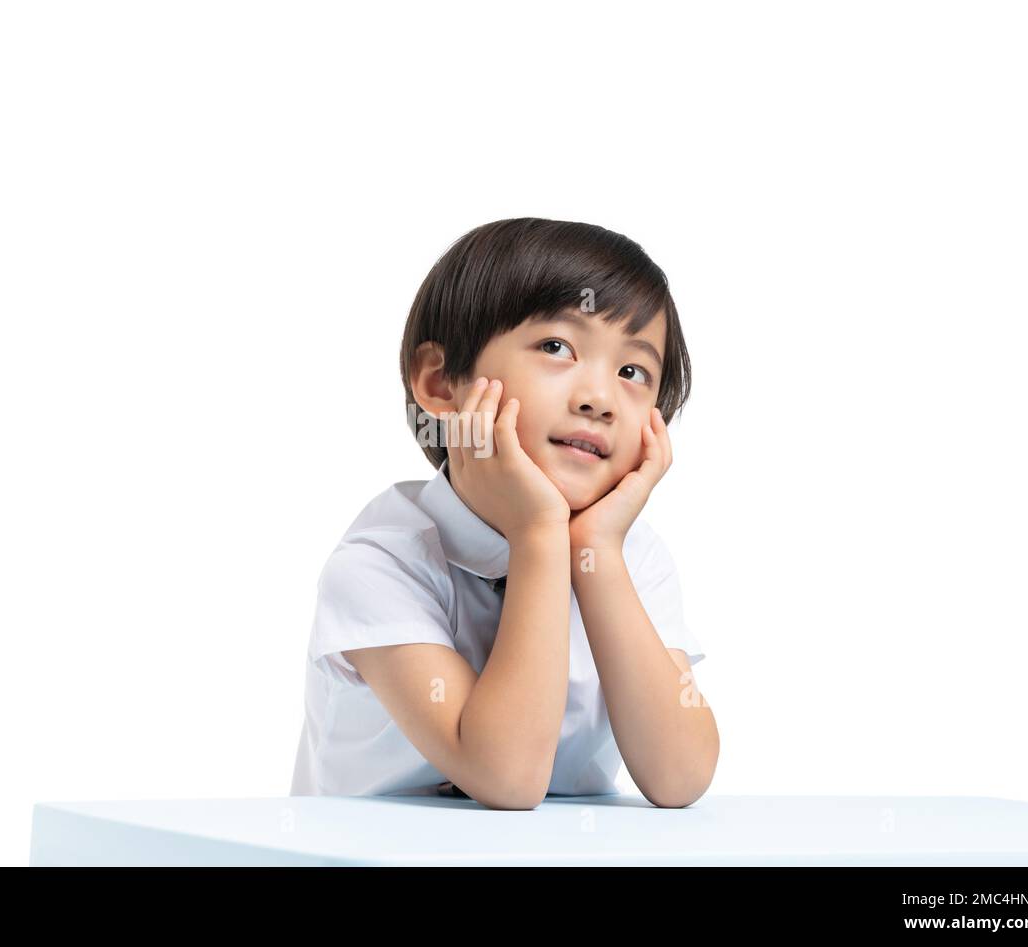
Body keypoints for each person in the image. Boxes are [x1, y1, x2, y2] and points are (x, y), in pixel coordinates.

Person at [290, 217, 719, 809]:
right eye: (556, 348)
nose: (598, 399)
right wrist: (537, 533)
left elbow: (680, 778)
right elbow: (507, 778)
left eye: (632, 372)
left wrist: (596, 555)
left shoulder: (630, 558)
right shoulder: (382, 561)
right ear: (441, 382)